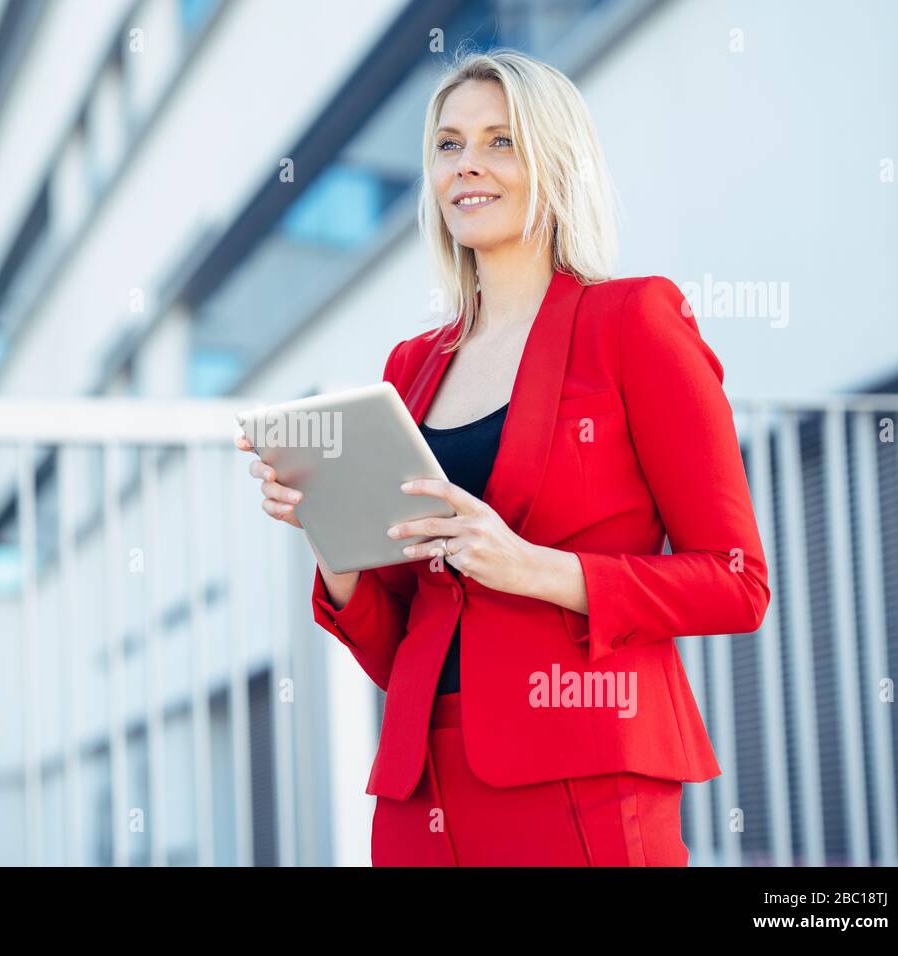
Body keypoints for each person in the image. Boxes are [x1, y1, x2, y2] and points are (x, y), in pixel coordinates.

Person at [236, 48, 770, 866]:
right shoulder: (410, 367)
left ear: (555, 162)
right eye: (448, 146)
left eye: (500, 141)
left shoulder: (633, 322)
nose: (467, 167)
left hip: (580, 778)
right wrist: (330, 529)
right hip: (422, 790)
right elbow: (397, 643)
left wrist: (530, 567)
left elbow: (738, 582)